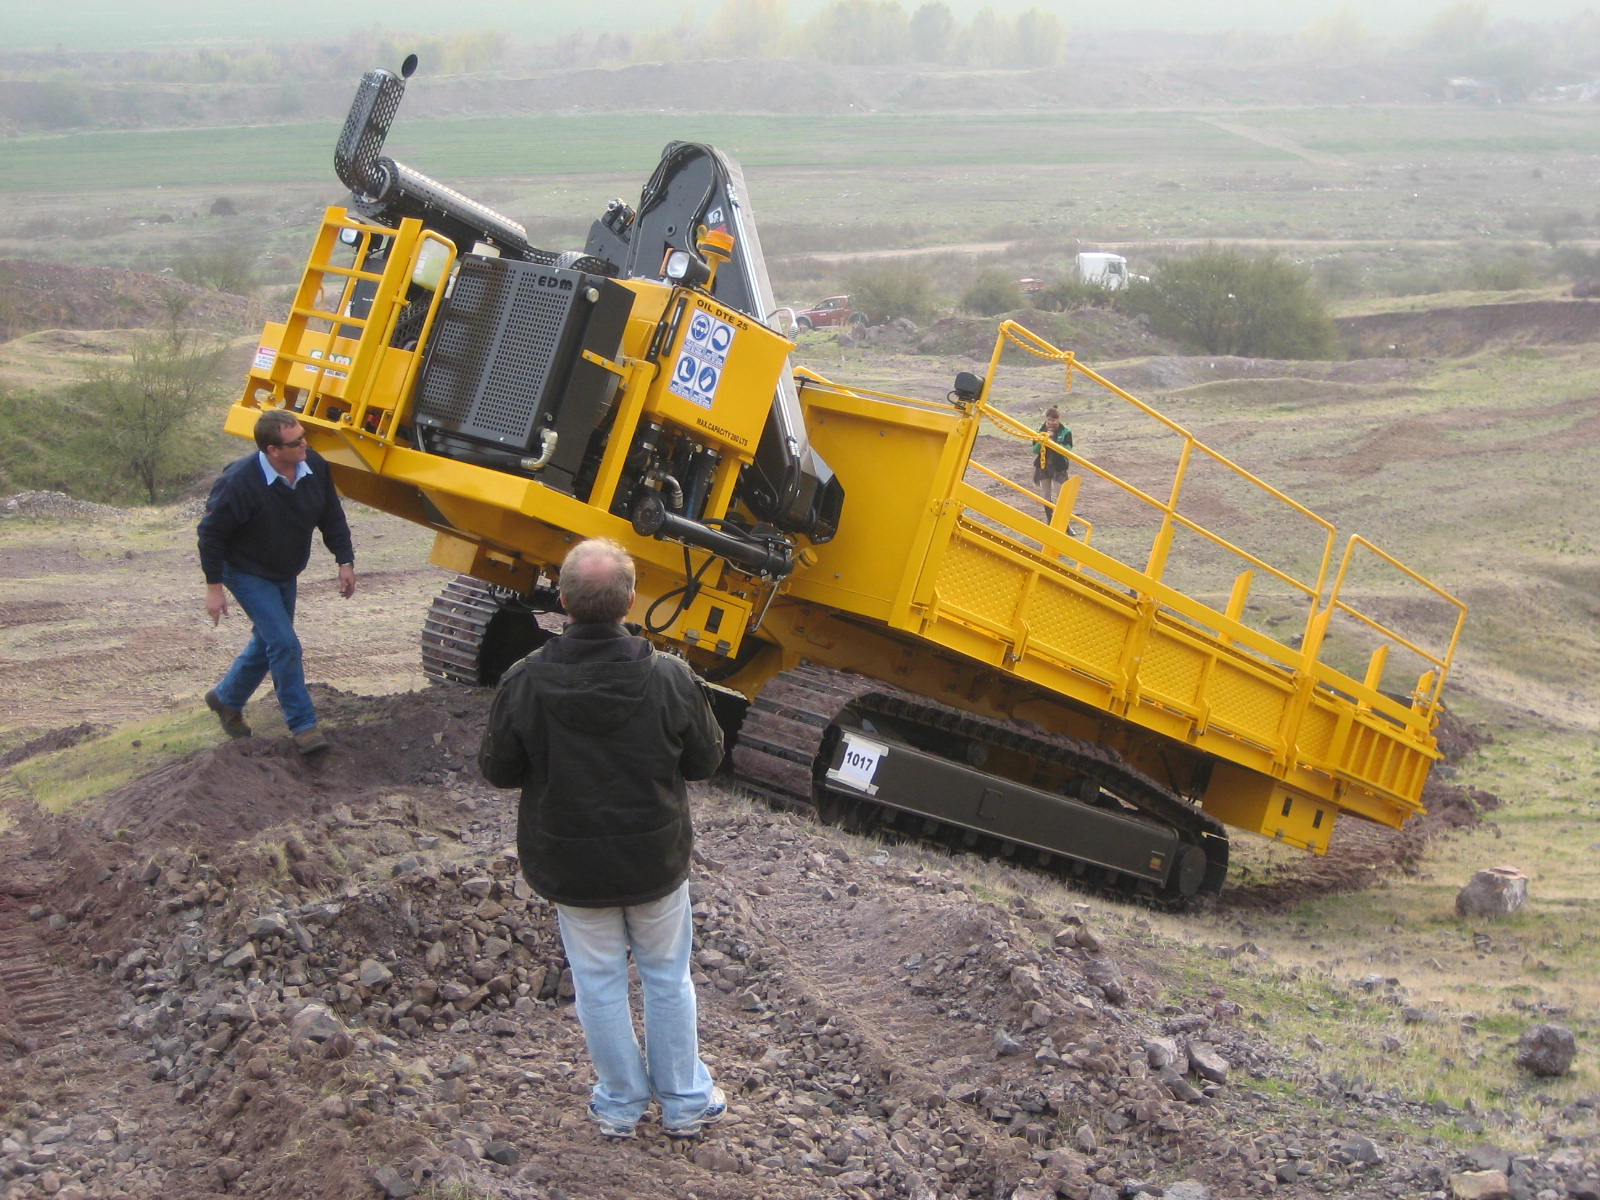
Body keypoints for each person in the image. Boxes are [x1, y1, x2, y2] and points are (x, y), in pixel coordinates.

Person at [477, 538, 726, 1142]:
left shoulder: (526, 680)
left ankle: (619, 1104)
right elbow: (705, 760)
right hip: (654, 859)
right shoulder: (670, 678)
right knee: (668, 978)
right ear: (631, 600)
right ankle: (685, 1102)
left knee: (598, 983)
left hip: (570, 863)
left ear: (561, 600)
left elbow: (499, 770)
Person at [197, 409, 356, 755]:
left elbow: (331, 515)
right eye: (296, 442)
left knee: (270, 640)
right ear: (273, 450)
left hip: (285, 570)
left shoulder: (314, 467)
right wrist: (213, 587)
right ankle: (303, 727)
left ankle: (226, 699)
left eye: (304, 436)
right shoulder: (240, 481)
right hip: (245, 570)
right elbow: (210, 535)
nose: (306, 445)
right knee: (284, 644)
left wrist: (345, 560)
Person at [1031, 405, 1073, 521]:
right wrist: (1044, 441)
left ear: (1058, 419)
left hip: (1059, 466)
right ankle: (1050, 520)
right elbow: (1034, 450)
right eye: (1049, 420)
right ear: (1046, 419)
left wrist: (1054, 442)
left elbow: (1068, 449)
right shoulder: (1039, 432)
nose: (1051, 423)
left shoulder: (1066, 432)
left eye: (1053, 420)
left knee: (1061, 496)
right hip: (1043, 466)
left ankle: (1064, 523)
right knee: (1046, 495)